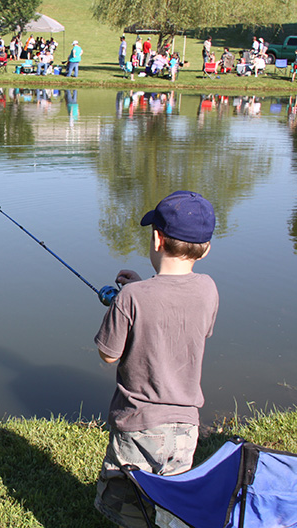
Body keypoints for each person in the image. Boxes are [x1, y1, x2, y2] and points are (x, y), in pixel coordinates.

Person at [94, 190, 218, 528]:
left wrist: (125, 304)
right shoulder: (208, 289)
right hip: (186, 428)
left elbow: (108, 354)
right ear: (204, 249)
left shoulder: (132, 298)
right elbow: (185, 323)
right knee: (171, 500)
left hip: (138, 424)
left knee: (127, 504)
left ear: (157, 239)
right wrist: (139, 290)